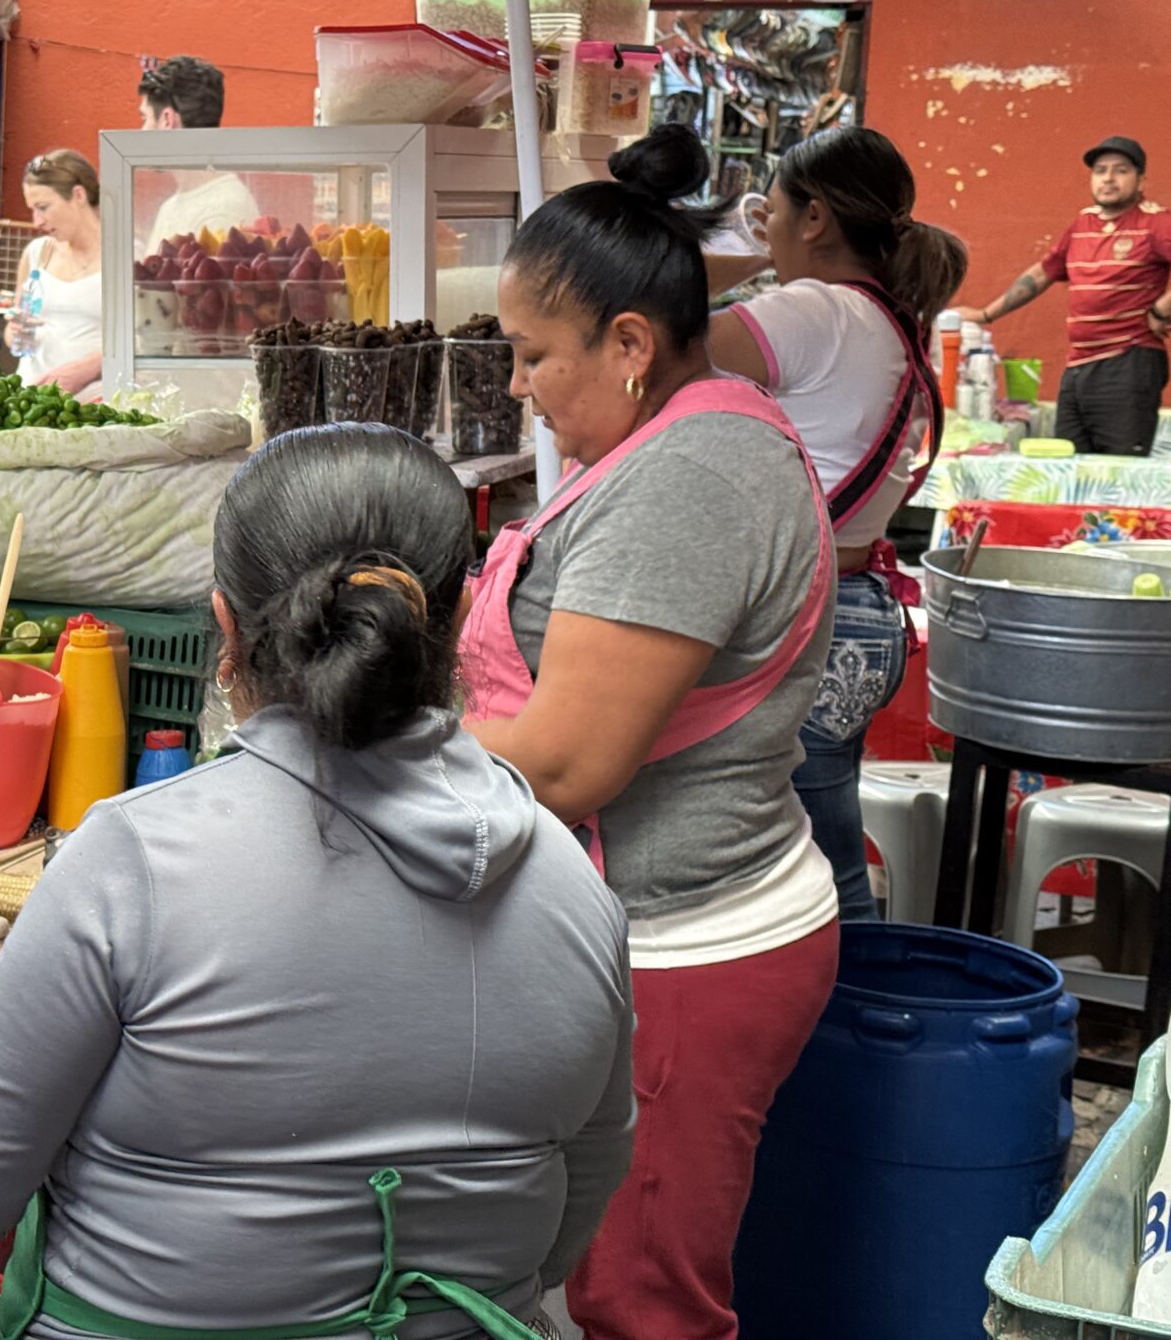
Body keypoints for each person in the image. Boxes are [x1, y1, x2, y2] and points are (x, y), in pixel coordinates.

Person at [0, 424, 636, 1340]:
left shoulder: (131, 868)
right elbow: (583, 1191)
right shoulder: (575, 888)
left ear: (225, 626)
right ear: (457, 616)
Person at [457, 129, 838, 1340]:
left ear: (627, 345)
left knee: (639, 1300)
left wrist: (366, 746)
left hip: (689, 946)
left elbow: (569, 762)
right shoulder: (661, 435)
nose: (517, 387)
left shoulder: (690, 480)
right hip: (648, 930)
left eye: (531, 357)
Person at [701, 126, 966, 922]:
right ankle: (855, 1024)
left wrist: (735, 259)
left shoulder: (815, 308)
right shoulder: (888, 321)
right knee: (827, 850)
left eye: (773, 212)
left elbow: (656, 344)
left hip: (802, 622)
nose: (769, 229)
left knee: (803, 871)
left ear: (814, 219)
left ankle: (841, 1032)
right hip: (860, 614)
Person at [962, 135, 1171, 455]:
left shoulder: (1155, 223)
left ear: (1141, 179)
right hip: (1077, 370)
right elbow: (1042, 273)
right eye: (1101, 170)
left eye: (1121, 170)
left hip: (1128, 363)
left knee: (1116, 473)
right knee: (1068, 465)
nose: (1109, 178)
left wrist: (1161, 309)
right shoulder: (1081, 224)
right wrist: (985, 314)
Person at [5, 150, 104, 398]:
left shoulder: (126, 257)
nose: (36, 221)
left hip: (95, 404)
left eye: (43, 208)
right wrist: (15, 332)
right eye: (32, 210)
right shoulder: (36, 253)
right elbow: (14, 331)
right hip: (30, 399)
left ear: (78, 195)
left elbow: (142, 342)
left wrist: (87, 369)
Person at [137, 55, 260, 251]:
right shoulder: (171, 206)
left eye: (145, 118)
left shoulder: (224, 208)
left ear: (167, 120)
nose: (142, 131)